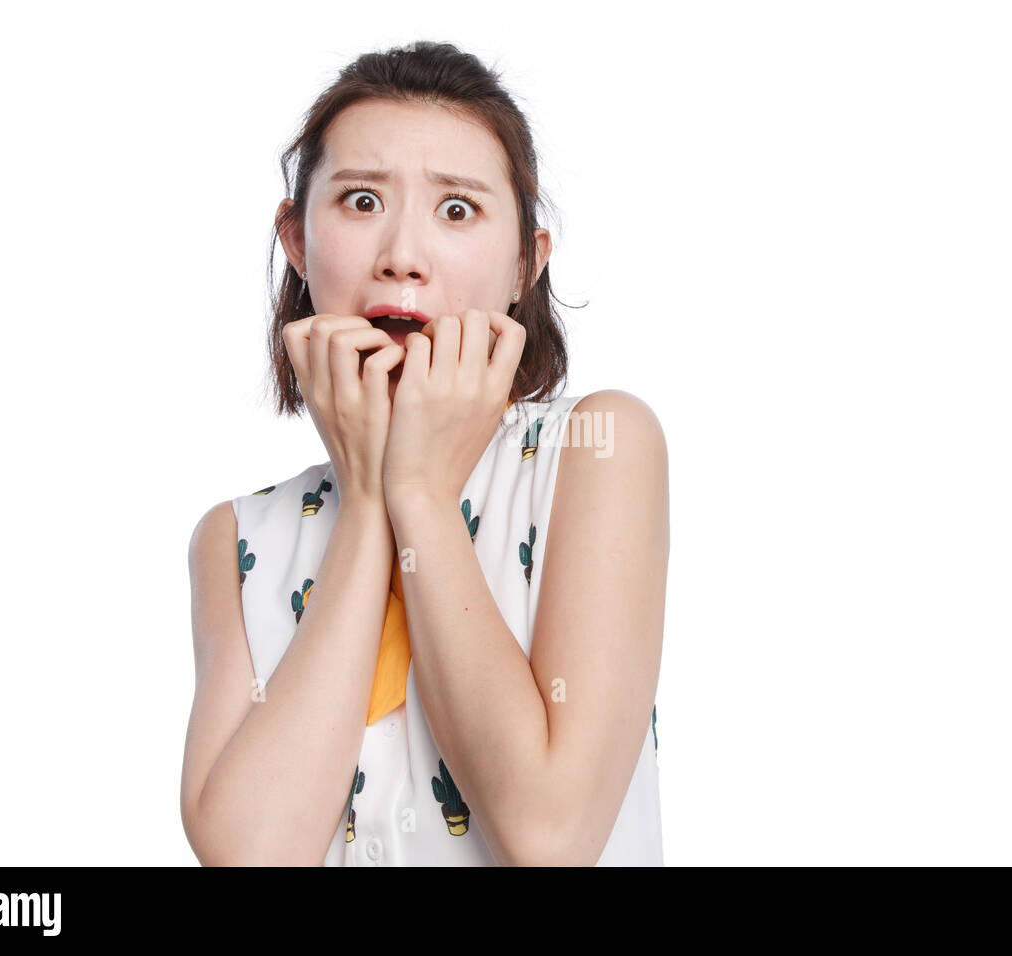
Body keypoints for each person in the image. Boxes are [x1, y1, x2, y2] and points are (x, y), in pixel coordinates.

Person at [180, 40, 668, 866]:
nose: (402, 254)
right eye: (361, 200)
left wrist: (418, 490)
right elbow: (251, 853)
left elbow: (549, 836)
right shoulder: (237, 540)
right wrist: (371, 501)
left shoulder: (596, 451)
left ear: (525, 263)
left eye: (457, 210)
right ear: (297, 242)